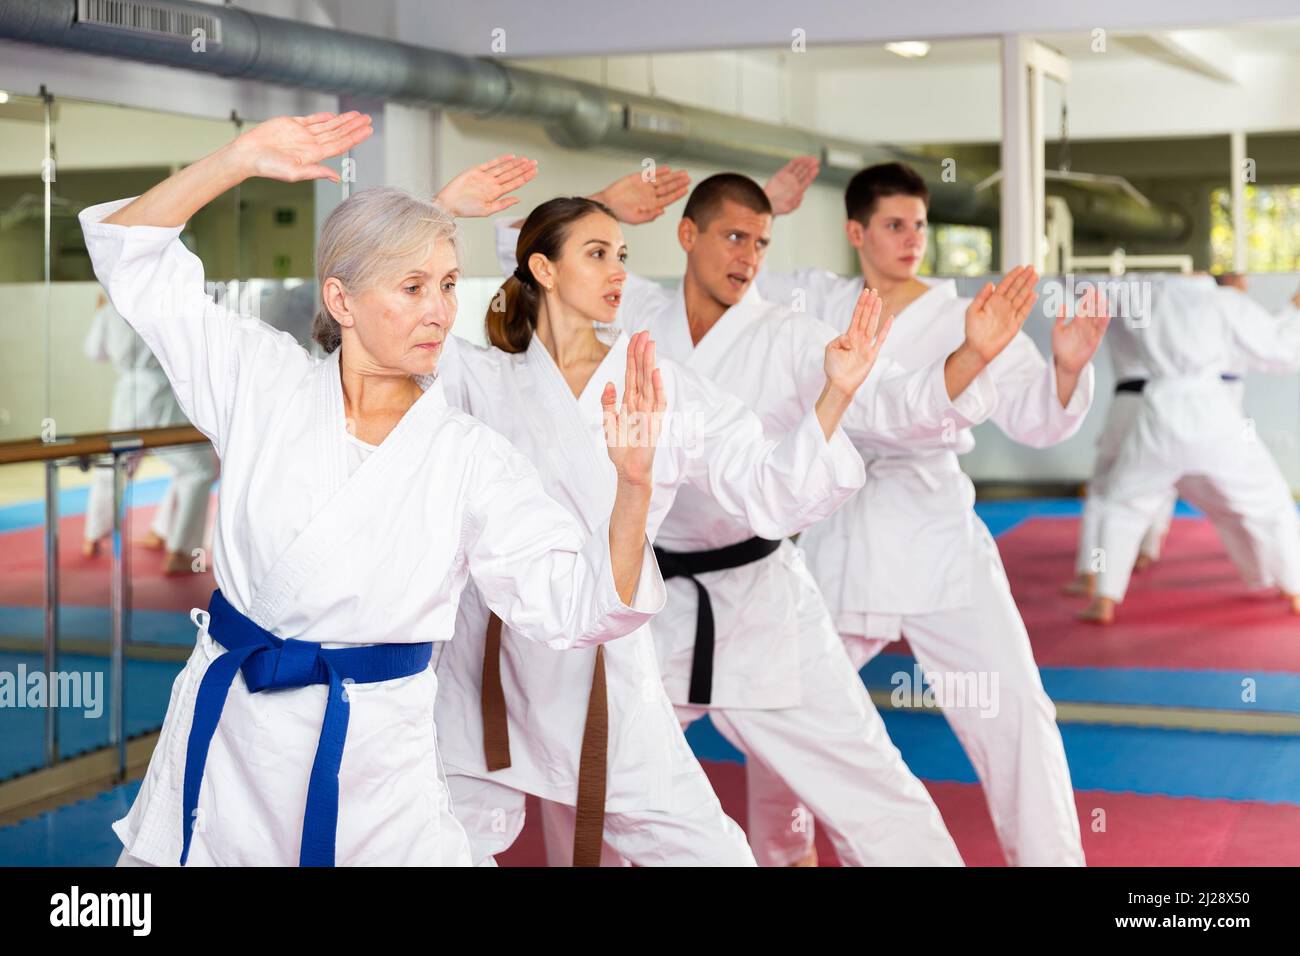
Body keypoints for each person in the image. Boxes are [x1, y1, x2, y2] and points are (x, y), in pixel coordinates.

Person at [82, 114, 667, 867]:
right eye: (413, 286)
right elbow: (132, 255)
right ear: (343, 300)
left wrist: (633, 491)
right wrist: (237, 159)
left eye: (449, 285)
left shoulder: (468, 456)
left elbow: (576, 601)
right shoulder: (261, 381)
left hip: (374, 762)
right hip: (229, 742)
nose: (440, 310)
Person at [495, 166, 1033, 866]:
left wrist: (970, 354)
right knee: (588, 785)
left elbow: (898, 404)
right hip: (645, 605)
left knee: (869, 783)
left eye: (761, 243)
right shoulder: (635, 318)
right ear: (687, 236)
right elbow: (542, 261)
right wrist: (603, 206)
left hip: (762, 603)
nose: (748, 256)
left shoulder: (789, 335)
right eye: (733, 237)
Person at [743, 159, 1108, 866]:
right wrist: (765, 204)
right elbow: (733, 296)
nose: (913, 238)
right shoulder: (819, 299)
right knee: (783, 705)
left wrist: (1064, 369)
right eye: (894, 225)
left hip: (938, 527)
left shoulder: (960, 315)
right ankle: (784, 855)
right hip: (842, 527)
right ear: (856, 231)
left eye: (920, 224)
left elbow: (1037, 417)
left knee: (1018, 712)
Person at [1083, 274, 1300, 624]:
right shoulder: (1224, 302)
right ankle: (1295, 589)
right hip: (1211, 411)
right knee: (1271, 502)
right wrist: (1295, 312)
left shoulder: (1146, 298)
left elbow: (1085, 288)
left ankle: (1104, 598)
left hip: (1157, 411)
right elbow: (1283, 352)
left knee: (1121, 505)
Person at [81, 294, 219, 572]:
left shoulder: (111, 304)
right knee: (199, 469)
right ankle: (180, 552)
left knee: (116, 465)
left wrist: (102, 313)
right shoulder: (167, 302)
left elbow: (94, 351)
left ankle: (93, 535)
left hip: (127, 393)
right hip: (161, 393)